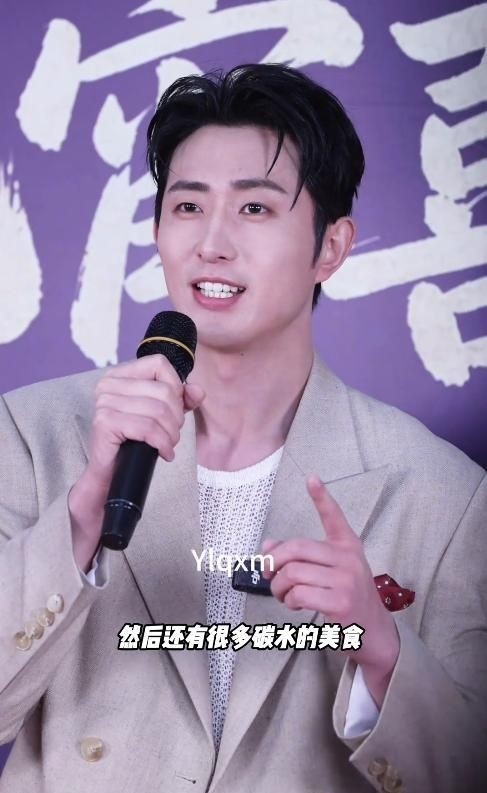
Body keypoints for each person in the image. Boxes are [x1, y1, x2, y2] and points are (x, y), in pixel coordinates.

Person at [0, 63, 485, 793]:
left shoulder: (443, 494)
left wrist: (382, 651)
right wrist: (79, 519)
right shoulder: (33, 432)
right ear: (158, 230)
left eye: (255, 208)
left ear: (331, 246)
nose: (212, 242)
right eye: (188, 206)